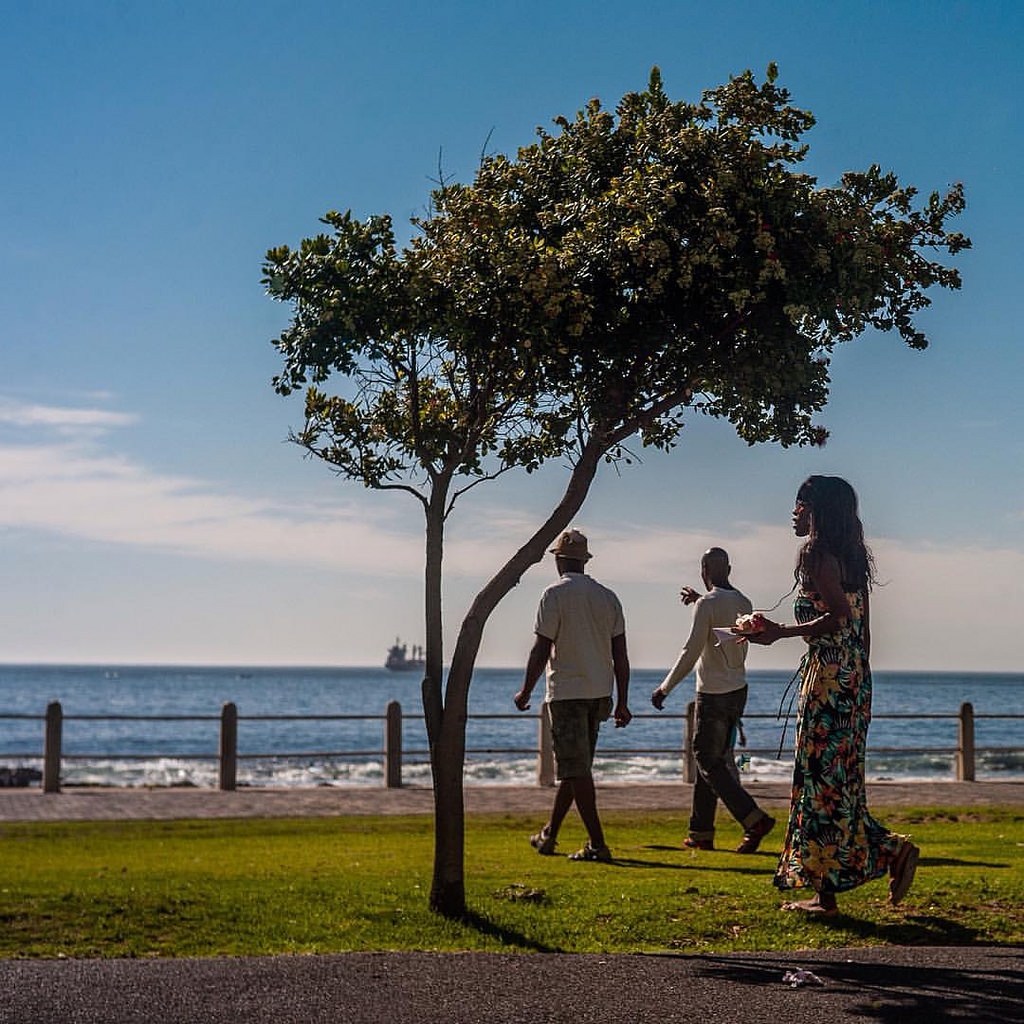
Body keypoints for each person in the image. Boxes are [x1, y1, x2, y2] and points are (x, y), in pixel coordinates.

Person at [747, 475, 920, 916]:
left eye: (799, 502)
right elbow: (861, 628)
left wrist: (778, 632)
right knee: (839, 785)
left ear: (816, 509)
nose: (793, 510)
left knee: (820, 782)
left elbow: (839, 618)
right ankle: (878, 857)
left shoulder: (815, 553)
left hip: (829, 680)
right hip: (853, 679)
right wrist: (859, 679)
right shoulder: (852, 557)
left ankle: (849, 879)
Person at [514, 528, 632, 862]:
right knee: (575, 767)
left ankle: (597, 844)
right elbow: (620, 655)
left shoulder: (554, 595)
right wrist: (622, 700)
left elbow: (541, 648)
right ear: (584, 560)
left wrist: (526, 690)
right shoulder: (608, 597)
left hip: (566, 693)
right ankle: (549, 835)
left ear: (559, 560)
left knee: (576, 770)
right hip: (599, 694)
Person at [651, 548, 775, 852]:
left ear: (703, 570)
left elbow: (691, 651)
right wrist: (699, 602)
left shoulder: (707, 604)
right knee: (714, 763)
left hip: (713, 693)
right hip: (738, 690)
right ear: (729, 569)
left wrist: (665, 688)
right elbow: (727, 628)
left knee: (707, 760)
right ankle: (701, 832)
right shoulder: (743, 602)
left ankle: (753, 818)